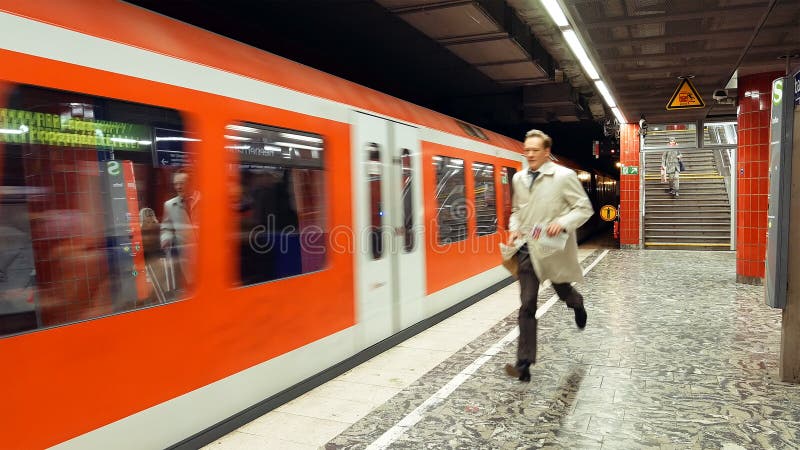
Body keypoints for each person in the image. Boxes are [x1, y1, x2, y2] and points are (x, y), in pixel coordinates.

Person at [504, 129, 594, 382]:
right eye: (526, 150)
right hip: (527, 248)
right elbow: (516, 212)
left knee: (562, 288)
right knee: (527, 303)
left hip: (553, 247)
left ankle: (577, 303)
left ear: (546, 152)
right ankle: (524, 363)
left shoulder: (563, 176)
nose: (529, 154)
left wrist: (564, 222)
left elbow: (583, 208)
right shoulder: (518, 179)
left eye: (534, 150)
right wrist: (513, 230)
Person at [160, 171, 199, 291]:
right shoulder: (169, 205)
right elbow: (166, 227)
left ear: (191, 183)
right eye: (175, 184)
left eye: (181, 183)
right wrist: (166, 239)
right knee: (193, 288)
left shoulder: (207, 200)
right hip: (186, 256)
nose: (178, 187)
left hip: (209, 254)